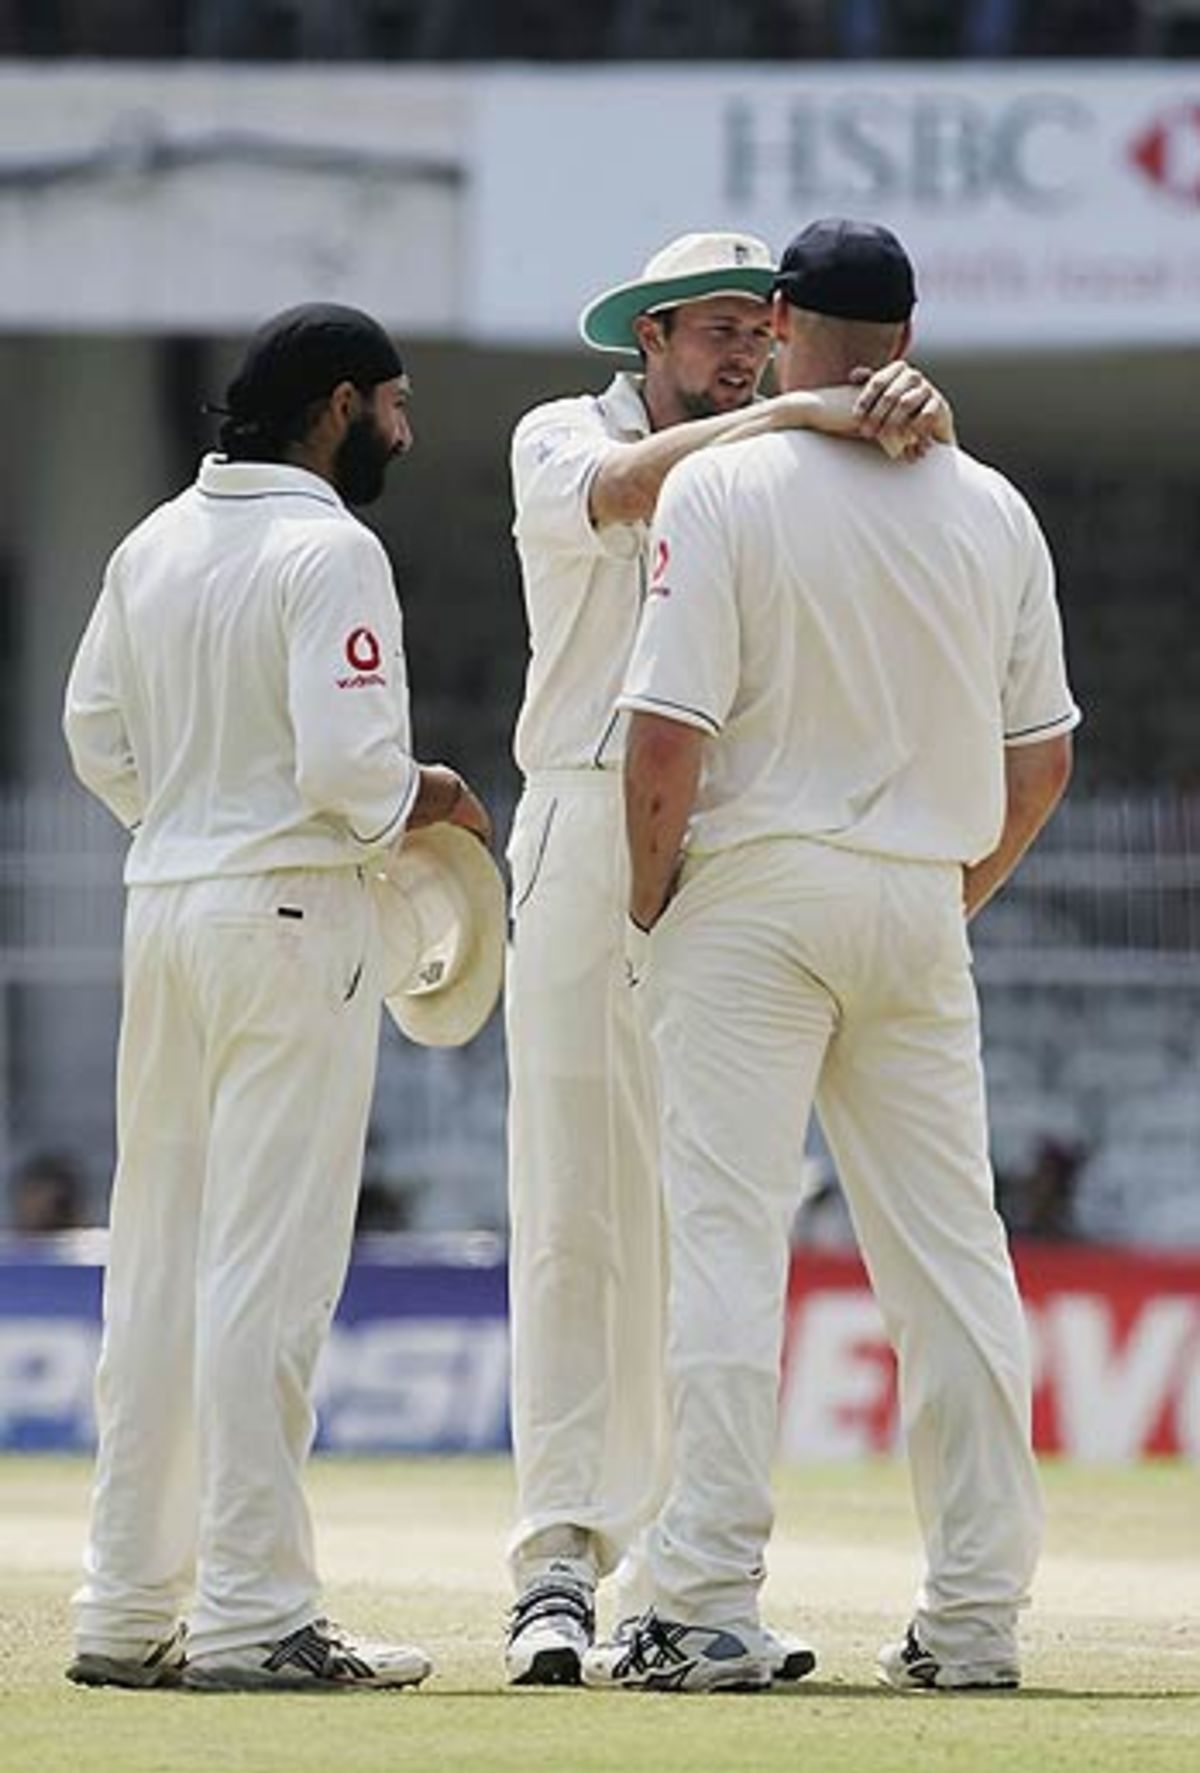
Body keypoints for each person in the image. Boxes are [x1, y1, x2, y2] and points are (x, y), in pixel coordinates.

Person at [585, 218, 1079, 1693]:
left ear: (785, 321)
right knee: (952, 1260)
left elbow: (666, 733)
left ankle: (703, 1595)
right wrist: (949, 889)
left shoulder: (726, 481)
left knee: (731, 1246)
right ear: (908, 343)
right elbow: (1041, 760)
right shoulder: (992, 506)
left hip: (752, 889)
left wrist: (653, 899)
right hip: (916, 893)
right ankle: (978, 1615)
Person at [503, 229, 955, 1686]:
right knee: (575, 1205)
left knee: (710, 1223)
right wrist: (819, 407)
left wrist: (898, 417)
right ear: (645, 337)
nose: (738, 356)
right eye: (708, 332)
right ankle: (557, 1565)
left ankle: (686, 1569)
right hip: (586, 818)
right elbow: (626, 493)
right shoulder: (565, 431)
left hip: (738, 847)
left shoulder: (788, 459)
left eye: (755, 333)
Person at [62, 302, 490, 1693]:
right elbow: (355, 776)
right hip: (295, 911)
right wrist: (430, 793)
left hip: (170, 907)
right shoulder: (329, 548)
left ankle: (125, 1607)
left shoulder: (150, 543)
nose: (404, 433)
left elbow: (95, 735)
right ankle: (255, 1614)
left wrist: (191, 817)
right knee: (269, 1272)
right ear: (338, 405)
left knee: (160, 1260)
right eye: (394, 405)